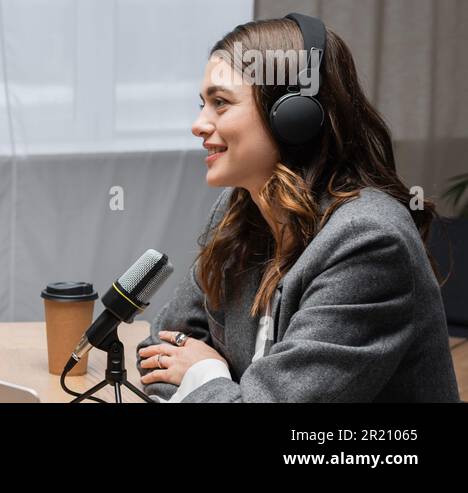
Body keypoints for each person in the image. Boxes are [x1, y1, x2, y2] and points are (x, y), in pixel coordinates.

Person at [135, 14, 459, 402]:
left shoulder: (368, 242)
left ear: (293, 116)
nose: (199, 124)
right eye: (203, 103)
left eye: (220, 103)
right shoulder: (240, 208)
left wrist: (205, 371)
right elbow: (159, 354)